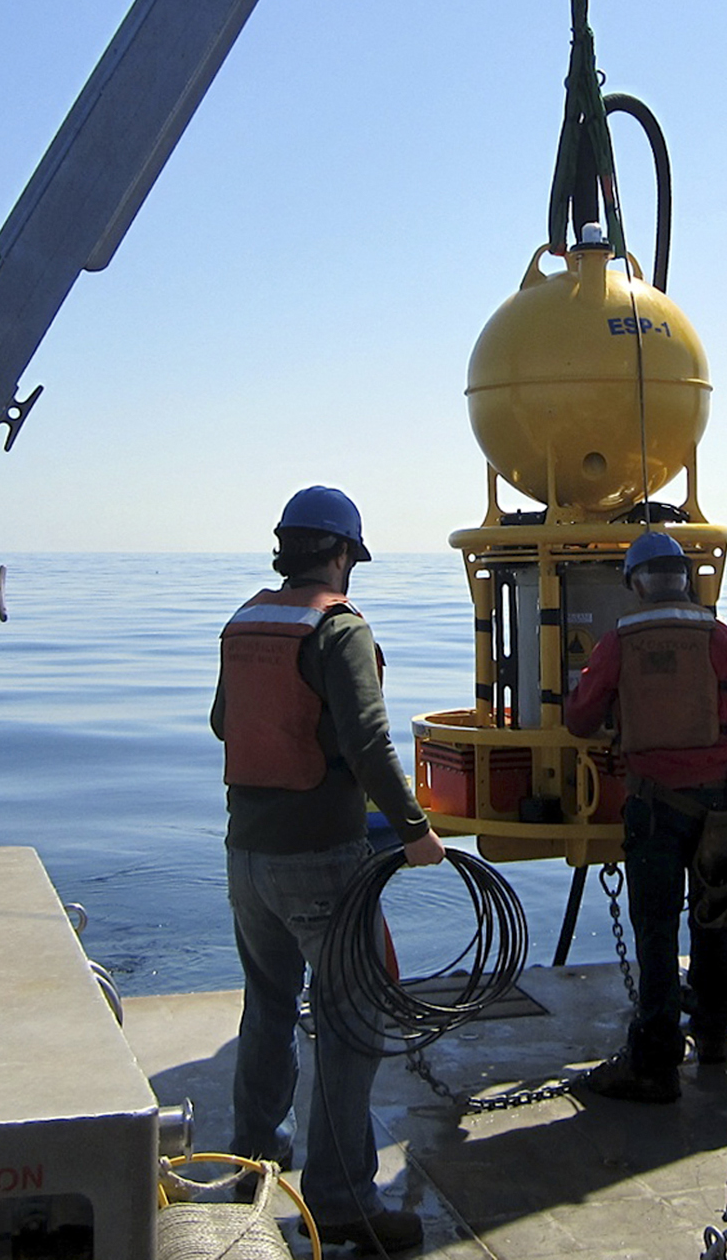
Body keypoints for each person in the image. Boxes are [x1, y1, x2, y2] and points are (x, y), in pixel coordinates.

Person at [212, 485, 444, 1254]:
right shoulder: (338, 627)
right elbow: (370, 743)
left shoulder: (245, 619)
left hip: (247, 855)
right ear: (344, 553)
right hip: (321, 860)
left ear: (285, 549)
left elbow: (223, 722)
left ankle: (251, 1161)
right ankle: (342, 1201)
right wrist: (414, 831)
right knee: (353, 1023)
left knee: (270, 1008)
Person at [565, 531, 727, 1102]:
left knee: (657, 931)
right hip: (721, 806)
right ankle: (715, 1035)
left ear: (635, 584)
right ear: (686, 578)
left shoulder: (619, 642)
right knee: (716, 922)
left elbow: (580, 720)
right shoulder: (721, 639)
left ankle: (656, 1060)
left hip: (653, 807)